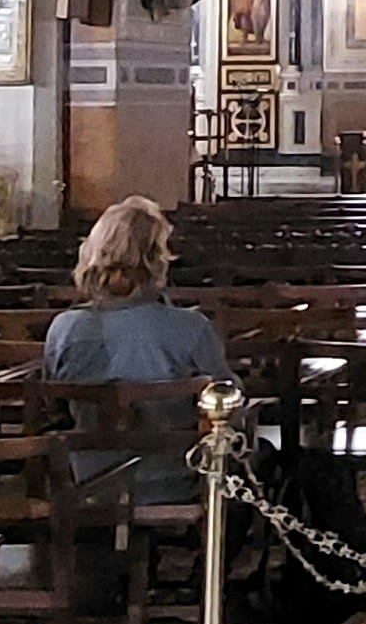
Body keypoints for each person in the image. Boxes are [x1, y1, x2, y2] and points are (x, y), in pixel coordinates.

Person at [45, 197, 236, 501]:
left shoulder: (64, 329)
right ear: (158, 258)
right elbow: (229, 402)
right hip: (174, 480)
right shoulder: (190, 328)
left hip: (90, 483)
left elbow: (53, 406)